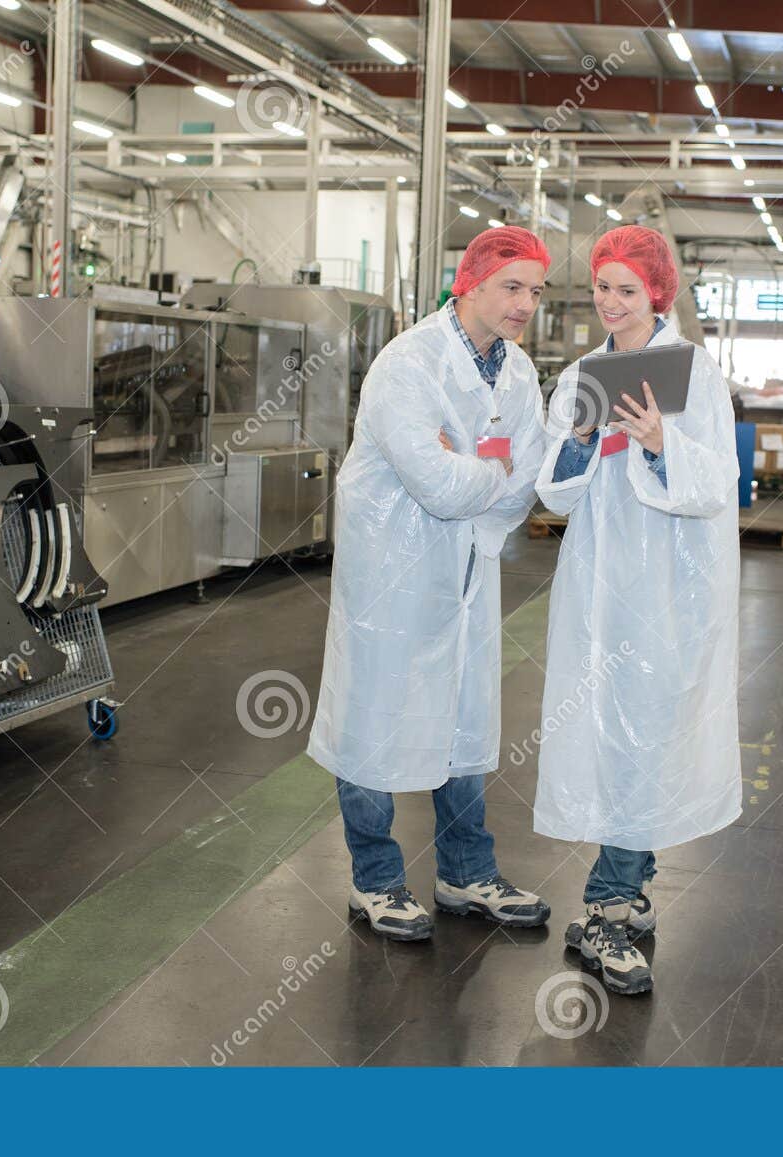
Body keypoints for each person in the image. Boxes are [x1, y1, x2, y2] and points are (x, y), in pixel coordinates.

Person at [308, 226, 554, 941]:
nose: (525, 304)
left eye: (535, 291)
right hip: (393, 569)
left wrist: (476, 469)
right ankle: (375, 880)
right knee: (373, 716)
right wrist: (488, 472)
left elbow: (521, 486)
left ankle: (465, 871)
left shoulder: (519, 374)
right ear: (470, 283)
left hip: (470, 568)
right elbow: (437, 484)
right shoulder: (407, 363)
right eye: (513, 286)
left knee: (463, 718)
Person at [533, 225, 742, 993]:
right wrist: (583, 441)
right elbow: (553, 489)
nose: (611, 301)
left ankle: (611, 898)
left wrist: (659, 443)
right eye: (602, 286)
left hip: (671, 584)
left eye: (627, 289)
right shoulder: (583, 374)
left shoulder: (694, 375)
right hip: (600, 584)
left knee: (649, 734)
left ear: (657, 292)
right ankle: (610, 901)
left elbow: (716, 479)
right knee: (620, 738)